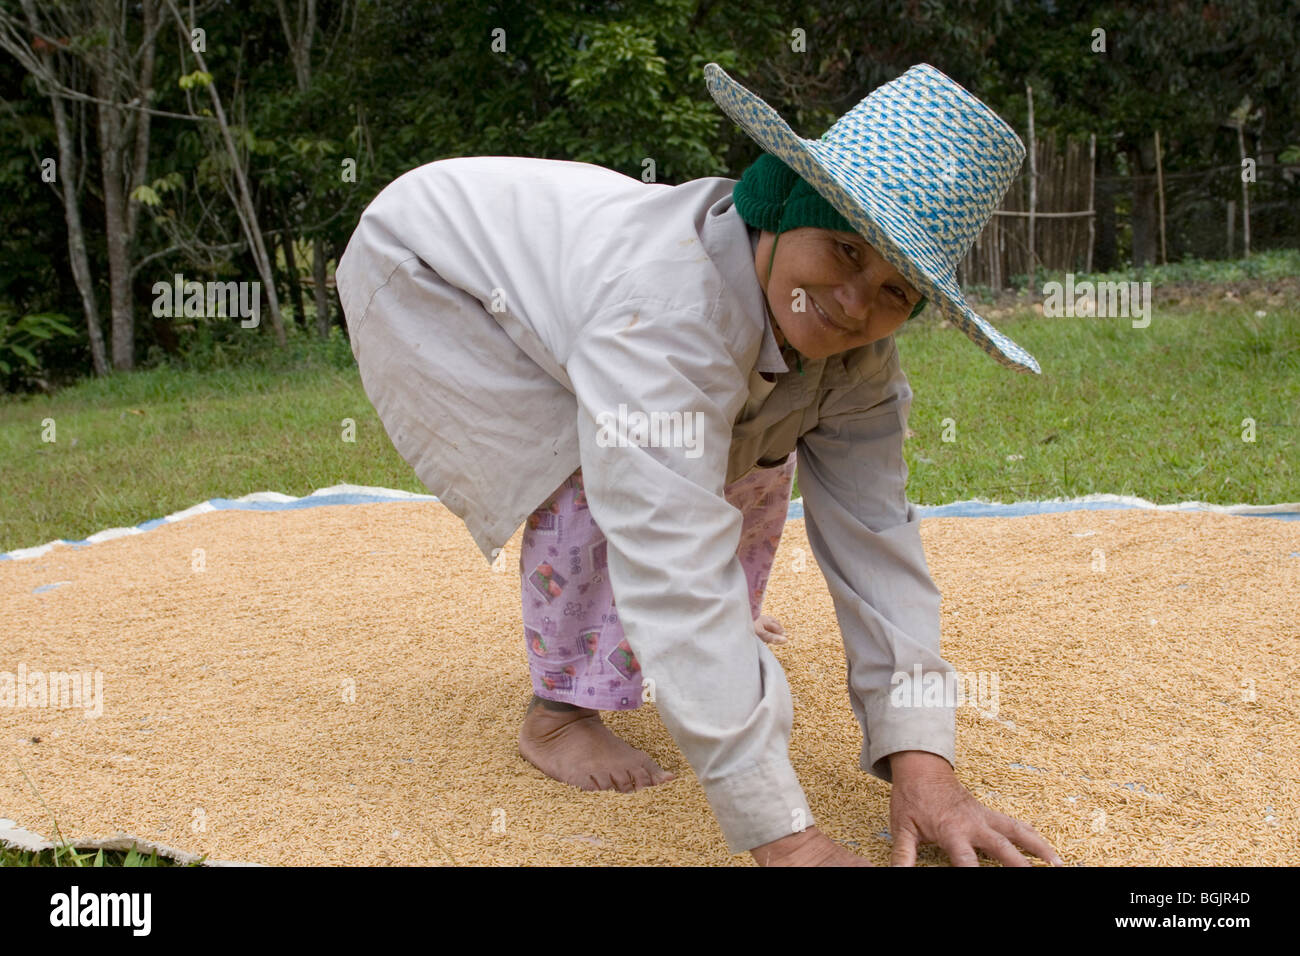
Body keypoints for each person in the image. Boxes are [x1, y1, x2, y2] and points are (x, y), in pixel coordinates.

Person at [336, 61, 1062, 867]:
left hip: (571, 272)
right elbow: (667, 544)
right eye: (845, 249)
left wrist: (927, 768)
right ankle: (559, 714)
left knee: (757, 454)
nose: (857, 303)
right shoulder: (663, 317)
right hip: (430, 269)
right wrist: (786, 838)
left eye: (896, 291)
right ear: (781, 205)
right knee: (594, 470)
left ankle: (712, 652)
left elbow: (877, 539)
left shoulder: (862, 362)